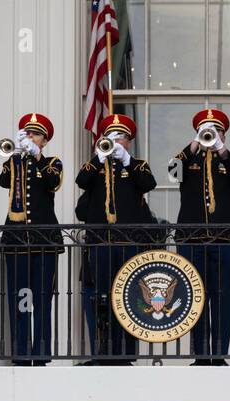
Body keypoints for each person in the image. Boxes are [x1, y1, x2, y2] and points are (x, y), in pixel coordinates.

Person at [171, 108, 230, 363]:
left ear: (224, 136)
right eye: (207, 131)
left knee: (223, 296)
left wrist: (221, 151)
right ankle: (200, 354)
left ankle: (218, 353)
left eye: (217, 132)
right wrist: (194, 143)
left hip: (224, 240)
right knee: (196, 297)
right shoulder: (189, 160)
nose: (211, 135)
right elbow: (172, 172)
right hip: (192, 240)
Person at [76, 113, 156, 364]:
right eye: (112, 137)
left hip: (128, 243)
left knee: (127, 297)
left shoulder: (137, 165)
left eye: (121, 137)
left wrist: (127, 161)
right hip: (100, 242)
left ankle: (125, 353)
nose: (117, 142)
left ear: (129, 142)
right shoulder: (96, 165)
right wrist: (100, 158)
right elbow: (82, 180)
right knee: (101, 297)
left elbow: (148, 183)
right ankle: (102, 352)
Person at [0, 113, 63, 365]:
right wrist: (15, 153)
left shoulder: (51, 163)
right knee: (20, 299)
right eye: (27, 133)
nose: (30, 137)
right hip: (16, 242)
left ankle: (42, 353)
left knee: (42, 299)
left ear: (44, 141)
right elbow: (3, 181)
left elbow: (52, 182)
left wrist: (35, 155)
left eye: (35, 134)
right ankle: (22, 353)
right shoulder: (15, 164)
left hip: (44, 242)